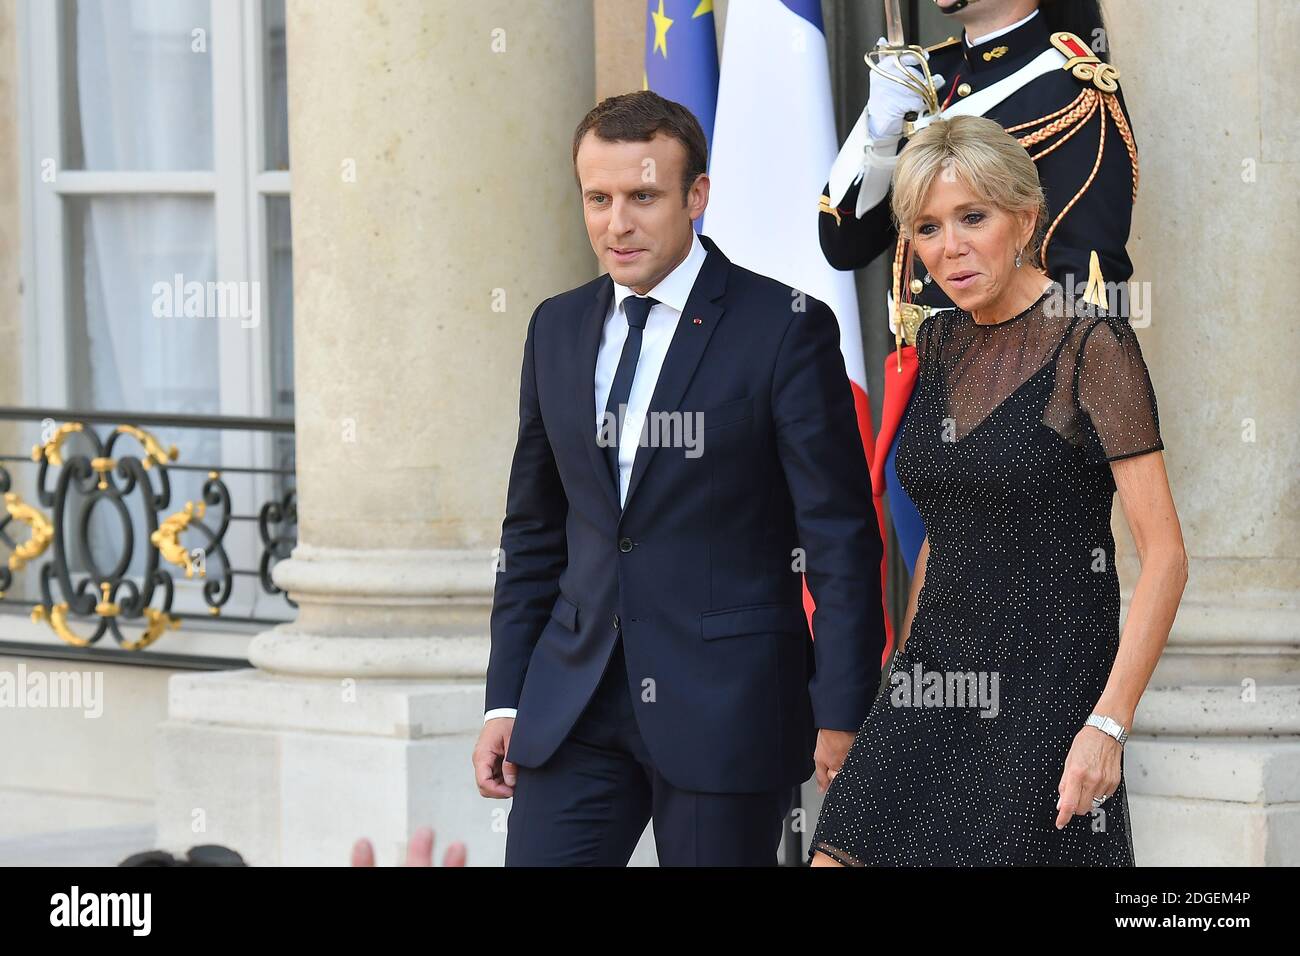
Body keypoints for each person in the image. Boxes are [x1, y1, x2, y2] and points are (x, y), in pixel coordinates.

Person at [473, 91, 887, 866]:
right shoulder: (555, 327)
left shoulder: (784, 327)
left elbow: (839, 538)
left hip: (727, 708)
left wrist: (842, 709)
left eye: (642, 196)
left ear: (696, 196)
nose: (616, 224)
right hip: (573, 705)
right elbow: (532, 531)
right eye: (597, 199)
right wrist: (506, 697)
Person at [809, 115, 1186, 866]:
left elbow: (1166, 557)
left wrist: (1108, 725)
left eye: (972, 218)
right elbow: (946, 532)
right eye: (926, 227)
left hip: (1047, 684)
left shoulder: (1092, 344)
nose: (950, 247)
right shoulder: (939, 340)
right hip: (932, 679)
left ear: (1024, 216)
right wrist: (899, 682)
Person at [819, 0, 1139, 577]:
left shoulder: (1069, 85)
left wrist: (1026, 424)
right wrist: (882, 126)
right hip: (921, 384)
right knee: (936, 603)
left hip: (1017, 403)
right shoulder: (925, 76)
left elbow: (1085, 283)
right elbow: (842, 243)